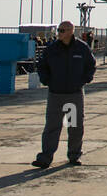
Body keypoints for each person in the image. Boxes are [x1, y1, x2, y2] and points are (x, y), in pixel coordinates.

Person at [32, 21, 96, 168]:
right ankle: (45, 158)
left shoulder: (81, 48)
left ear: (70, 31)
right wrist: (47, 80)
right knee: (52, 127)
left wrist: (84, 80)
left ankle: (74, 156)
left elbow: (90, 65)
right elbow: (42, 65)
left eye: (62, 30)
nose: (59, 33)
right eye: (58, 30)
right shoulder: (52, 49)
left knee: (74, 126)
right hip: (56, 94)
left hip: (73, 94)